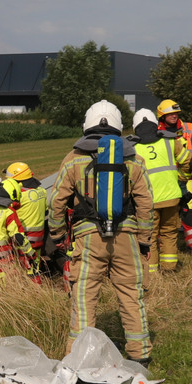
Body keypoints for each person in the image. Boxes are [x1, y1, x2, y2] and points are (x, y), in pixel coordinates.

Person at [48, 101, 154, 363]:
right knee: (131, 295)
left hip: (87, 239)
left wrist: (58, 234)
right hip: (127, 237)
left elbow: (56, 201)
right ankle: (140, 356)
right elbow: (146, 203)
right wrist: (144, 239)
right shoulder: (134, 159)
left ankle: (78, 359)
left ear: (87, 124)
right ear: (119, 126)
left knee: (84, 298)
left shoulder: (73, 159)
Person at [131, 108, 190, 273]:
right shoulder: (169, 140)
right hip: (172, 197)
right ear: (156, 124)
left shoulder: (133, 147)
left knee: (149, 236)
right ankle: (169, 268)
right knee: (169, 233)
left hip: (147, 201)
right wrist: (182, 179)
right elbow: (187, 160)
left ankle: (151, 272)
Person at [156, 99, 192, 253]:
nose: (174, 116)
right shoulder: (155, 131)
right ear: (162, 116)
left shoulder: (188, 129)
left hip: (187, 177)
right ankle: (162, 247)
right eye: (170, 113)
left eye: (176, 113)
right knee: (163, 212)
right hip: (165, 179)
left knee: (187, 210)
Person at [3, 161, 50, 279]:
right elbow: (45, 212)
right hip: (39, 237)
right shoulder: (41, 191)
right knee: (35, 266)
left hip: (24, 238)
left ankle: (30, 292)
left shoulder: (20, 196)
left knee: (24, 269)